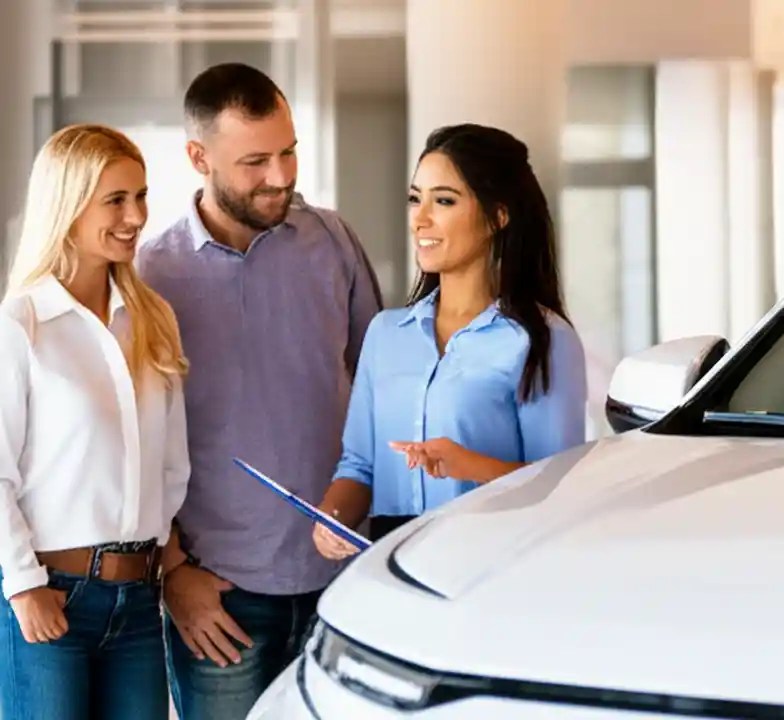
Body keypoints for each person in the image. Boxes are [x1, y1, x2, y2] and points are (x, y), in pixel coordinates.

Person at [135, 63, 382, 719]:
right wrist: (175, 574)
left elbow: (379, 395)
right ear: (198, 157)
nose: (280, 175)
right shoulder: (148, 274)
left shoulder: (334, 242)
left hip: (343, 584)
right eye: (254, 161)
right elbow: (131, 445)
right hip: (220, 597)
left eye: (289, 151)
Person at [312, 123, 586, 555]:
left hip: (491, 565)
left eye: (443, 201)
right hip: (392, 563)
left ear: (499, 215)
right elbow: (360, 468)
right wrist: (332, 518)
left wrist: (468, 465)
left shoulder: (542, 339)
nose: (420, 218)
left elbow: (559, 485)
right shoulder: (386, 334)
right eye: (415, 198)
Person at [0, 123, 190, 720]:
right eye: (116, 200)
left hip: (138, 602)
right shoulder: (22, 324)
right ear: (70, 205)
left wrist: (170, 559)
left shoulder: (152, 318)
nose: (136, 216)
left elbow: (171, 466)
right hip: (51, 596)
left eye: (141, 196)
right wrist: (25, 588)